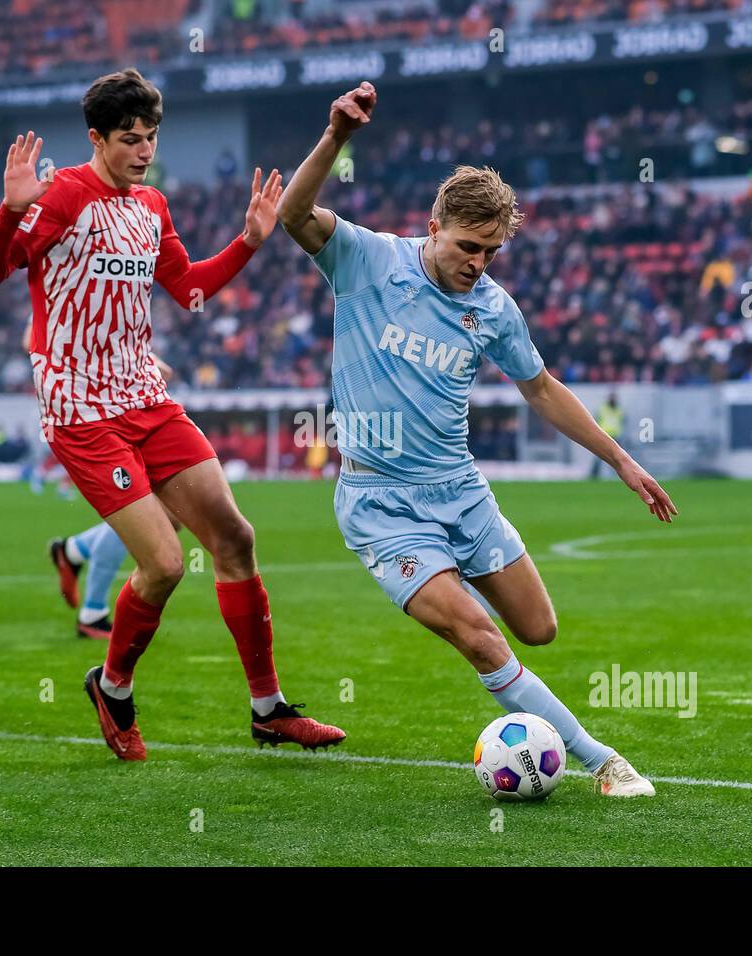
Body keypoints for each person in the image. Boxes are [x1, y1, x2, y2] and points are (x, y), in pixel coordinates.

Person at [278, 81, 676, 797]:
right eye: (468, 247)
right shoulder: (367, 262)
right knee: (482, 637)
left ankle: (473, 622)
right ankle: (602, 761)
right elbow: (293, 213)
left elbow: (542, 388)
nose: (478, 263)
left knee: (537, 628)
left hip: (460, 492)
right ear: (433, 224)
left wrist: (622, 460)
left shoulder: (492, 307)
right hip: (381, 503)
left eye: (492, 252)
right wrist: (337, 135)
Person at [0, 68, 344, 760]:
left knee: (233, 535)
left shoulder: (152, 207)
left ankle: (268, 710)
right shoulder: (62, 197)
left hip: (147, 395)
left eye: (150, 138)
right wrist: (11, 210)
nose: (143, 151)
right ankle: (112, 687)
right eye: (130, 139)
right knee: (166, 563)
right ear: (96, 138)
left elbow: (190, 288)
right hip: (82, 409)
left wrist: (250, 240)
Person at [49, 355, 182, 640]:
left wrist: (141, 360)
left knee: (169, 513)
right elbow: (35, 337)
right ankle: (92, 612)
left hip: (133, 402)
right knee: (143, 511)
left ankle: (74, 550)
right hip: (100, 414)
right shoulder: (53, 312)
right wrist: (137, 361)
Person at [590, 392, 623, 479]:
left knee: (619, 458)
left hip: (615, 436)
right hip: (604, 435)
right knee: (599, 457)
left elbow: (621, 422)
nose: (613, 400)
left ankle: (621, 475)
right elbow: (595, 421)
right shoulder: (602, 409)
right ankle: (594, 475)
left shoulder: (619, 409)